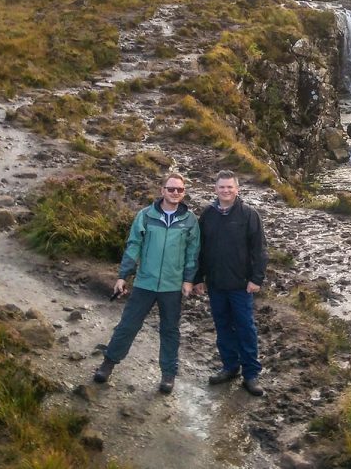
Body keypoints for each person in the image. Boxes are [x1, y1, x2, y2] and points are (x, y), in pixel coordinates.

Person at [93, 173, 199, 394]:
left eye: (179, 190)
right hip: (144, 284)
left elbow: (192, 253)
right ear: (162, 190)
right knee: (128, 325)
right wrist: (123, 276)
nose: (175, 193)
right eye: (171, 189)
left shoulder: (190, 221)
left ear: (184, 192)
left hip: (172, 287)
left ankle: (168, 375)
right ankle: (108, 364)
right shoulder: (146, 215)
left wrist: (189, 280)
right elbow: (133, 246)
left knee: (170, 331)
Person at [193, 170, 268, 396]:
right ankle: (230, 367)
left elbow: (260, 249)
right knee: (222, 326)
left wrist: (257, 279)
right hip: (215, 284)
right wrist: (198, 278)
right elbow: (200, 250)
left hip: (241, 285)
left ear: (237, 189)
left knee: (246, 328)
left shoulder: (249, 214)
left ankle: (251, 374)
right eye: (222, 187)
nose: (226, 191)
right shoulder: (207, 214)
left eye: (230, 187)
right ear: (215, 189)